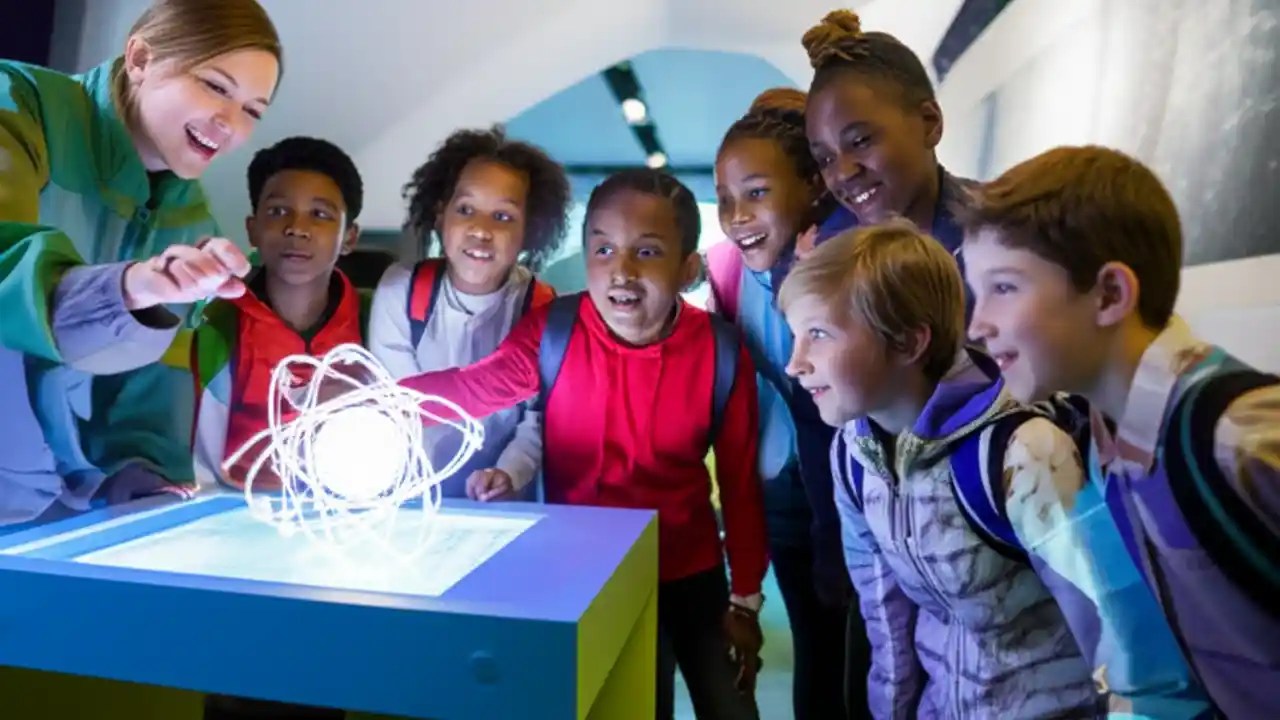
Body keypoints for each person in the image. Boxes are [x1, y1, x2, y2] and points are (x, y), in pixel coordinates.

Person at [782, 220, 1215, 719]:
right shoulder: (853, 457)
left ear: (907, 343)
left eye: (817, 334)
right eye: (796, 335)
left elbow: (1118, 626)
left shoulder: (1022, 452)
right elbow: (886, 624)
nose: (796, 363)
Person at [400, 169, 769, 720]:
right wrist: (377, 401)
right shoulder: (557, 329)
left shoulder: (717, 349)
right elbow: (474, 388)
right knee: (638, 707)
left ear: (688, 268)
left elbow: (741, 483)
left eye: (648, 251)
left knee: (731, 707)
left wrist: (745, 597)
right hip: (586, 575)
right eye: (602, 248)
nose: (620, 270)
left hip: (690, 569)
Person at [962, 144, 1278, 720]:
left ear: (1109, 294)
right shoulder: (1100, 435)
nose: (977, 325)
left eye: (1004, 288)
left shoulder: (1235, 433)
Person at [0, 0, 279, 525]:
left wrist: (142, 468)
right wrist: (126, 289)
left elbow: (157, 378)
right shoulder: (18, 104)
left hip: (46, 509)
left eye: (253, 110)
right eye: (216, 86)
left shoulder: (191, 225)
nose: (229, 123)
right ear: (141, 57)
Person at [707, 87, 867, 718]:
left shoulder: (842, 257)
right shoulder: (724, 268)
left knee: (866, 650)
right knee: (815, 646)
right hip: (776, 481)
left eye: (756, 191)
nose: (738, 213)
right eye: (725, 198)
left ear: (811, 182)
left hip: (851, 484)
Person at [366, 127, 568, 501]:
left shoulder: (540, 306)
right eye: (466, 210)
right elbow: (402, 404)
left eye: (503, 217)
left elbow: (538, 420)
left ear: (530, 230)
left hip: (501, 495)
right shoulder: (402, 291)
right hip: (410, 487)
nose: (481, 229)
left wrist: (508, 473)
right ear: (441, 214)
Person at [191, 136, 364, 491]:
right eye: (278, 211)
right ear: (252, 228)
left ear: (349, 237)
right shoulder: (215, 323)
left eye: (320, 214)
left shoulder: (374, 319)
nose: (296, 228)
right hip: (232, 511)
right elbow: (198, 463)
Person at [785, 10, 974, 318]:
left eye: (860, 142)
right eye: (826, 159)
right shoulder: (824, 258)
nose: (843, 173)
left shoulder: (998, 236)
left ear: (929, 123)